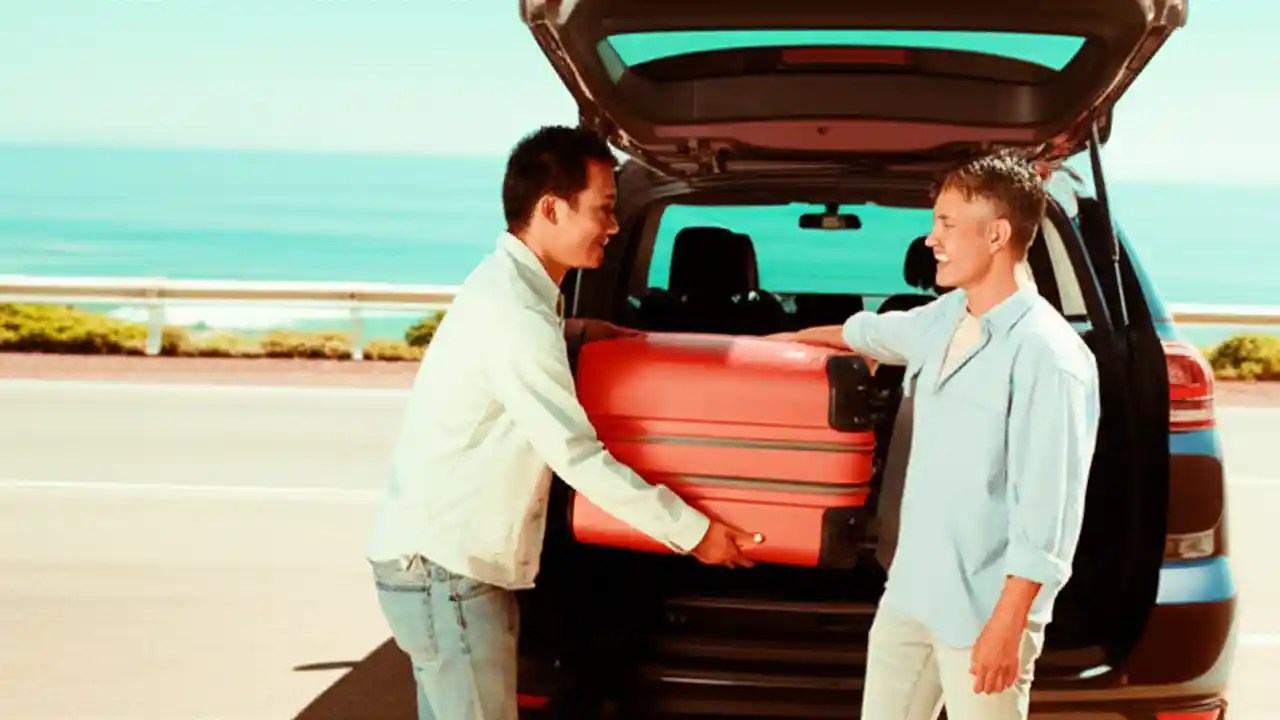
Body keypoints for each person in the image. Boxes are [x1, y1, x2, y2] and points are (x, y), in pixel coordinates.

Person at [364, 125, 761, 720]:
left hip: (435, 563)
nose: (614, 225)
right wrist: (694, 533)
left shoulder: (516, 291)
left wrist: (579, 332)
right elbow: (574, 456)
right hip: (447, 573)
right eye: (603, 209)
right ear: (550, 208)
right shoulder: (516, 314)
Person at [774, 151, 1100, 719]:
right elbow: (862, 332)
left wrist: (1008, 625)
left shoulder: (1048, 356)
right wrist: (754, 351)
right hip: (910, 591)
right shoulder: (943, 318)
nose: (931, 239)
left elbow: (1049, 513)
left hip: (984, 609)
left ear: (997, 234)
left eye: (947, 224)